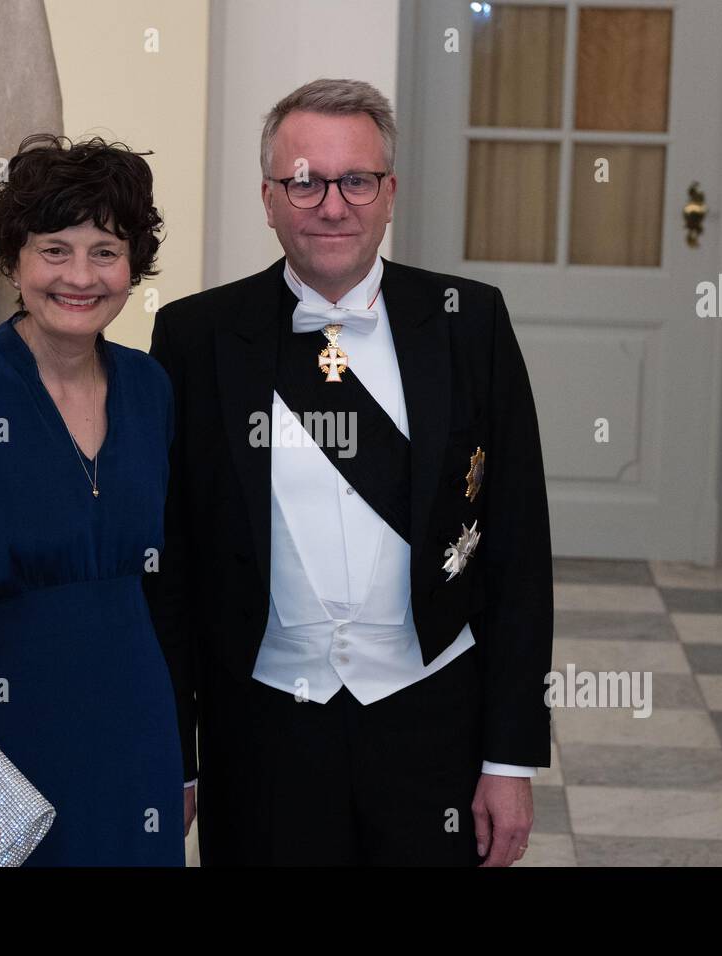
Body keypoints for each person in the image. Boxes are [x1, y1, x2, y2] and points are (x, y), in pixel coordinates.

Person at [143, 79, 554, 866]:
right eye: (304, 180)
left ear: (390, 192)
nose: (331, 205)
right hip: (260, 730)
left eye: (356, 180)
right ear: (268, 197)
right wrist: (176, 750)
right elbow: (171, 567)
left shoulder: (472, 325)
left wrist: (509, 759)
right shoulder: (195, 337)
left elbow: (518, 555)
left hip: (431, 722)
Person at [0, 133, 186, 866]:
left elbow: (170, 590)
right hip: (3, 743)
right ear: (13, 259)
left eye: (105, 251)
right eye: (55, 250)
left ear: (133, 266)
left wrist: (185, 758)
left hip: (136, 733)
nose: (79, 276)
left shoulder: (152, 389)